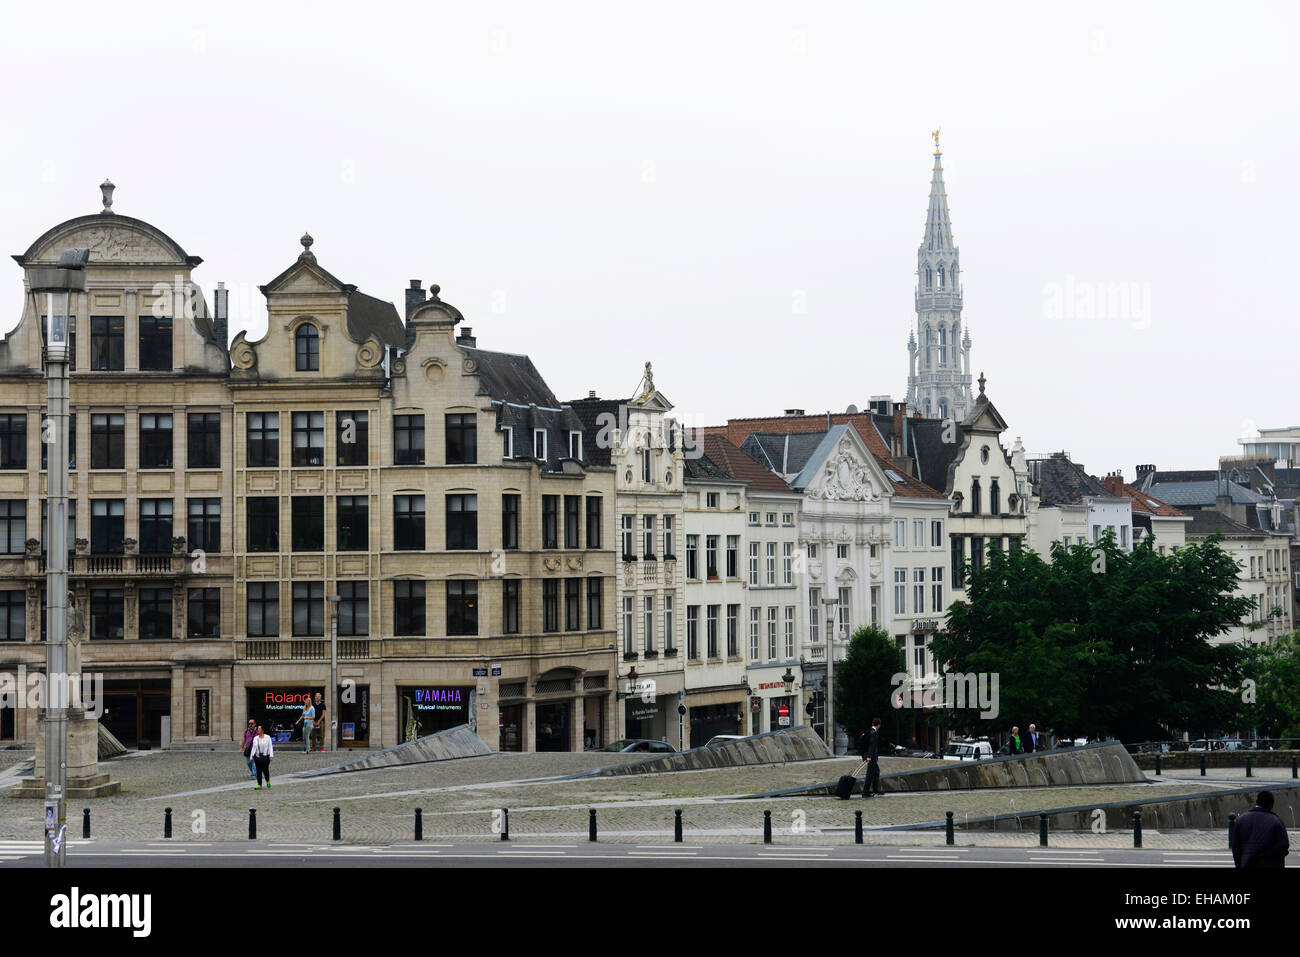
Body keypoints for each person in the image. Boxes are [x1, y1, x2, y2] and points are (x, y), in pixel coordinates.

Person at [1233, 791, 1290, 868]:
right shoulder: (1276, 821)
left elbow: (1236, 848)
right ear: (1271, 805)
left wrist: (1239, 864)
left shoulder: (1241, 820)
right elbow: (1283, 845)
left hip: (1247, 863)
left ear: (1257, 802)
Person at [862, 717, 882, 798]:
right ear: (879, 725)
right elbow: (872, 746)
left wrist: (864, 756)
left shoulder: (868, 731)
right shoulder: (874, 733)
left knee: (876, 772)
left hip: (868, 756)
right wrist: (869, 757)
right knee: (869, 774)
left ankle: (875, 790)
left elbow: (863, 745)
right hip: (872, 757)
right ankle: (865, 792)